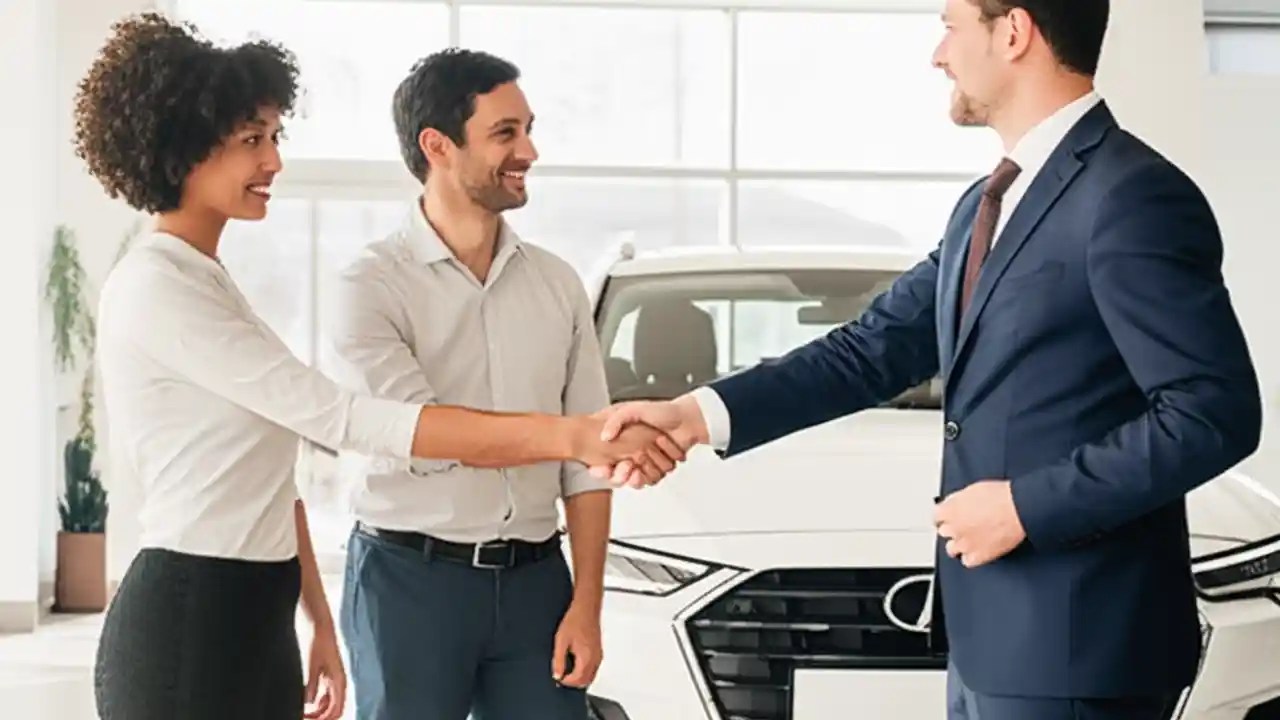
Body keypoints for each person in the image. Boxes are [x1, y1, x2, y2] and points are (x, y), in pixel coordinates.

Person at [592, 1, 1262, 719]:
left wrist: (1023, 506)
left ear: (1013, 32)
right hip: (987, 643)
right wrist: (693, 416)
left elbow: (1213, 411)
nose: (937, 55)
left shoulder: (1129, 195)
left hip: (1078, 645)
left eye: (949, 26)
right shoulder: (989, 202)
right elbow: (870, 349)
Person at [75, 14, 681, 720]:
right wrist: (576, 436)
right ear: (181, 151)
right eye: (251, 142)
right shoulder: (159, 287)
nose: (273, 162)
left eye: (274, 138)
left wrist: (318, 622)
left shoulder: (208, 280)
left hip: (256, 608)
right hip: (191, 610)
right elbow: (348, 419)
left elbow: (271, 481)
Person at [324, 48, 636, 720]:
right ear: (436, 145)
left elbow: (587, 468)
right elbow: (427, 433)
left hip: (535, 585)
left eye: (528, 128)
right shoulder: (370, 285)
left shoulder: (557, 285)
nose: (530, 150)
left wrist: (587, 604)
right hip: (409, 581)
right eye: (506, 133)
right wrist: (571, 437)